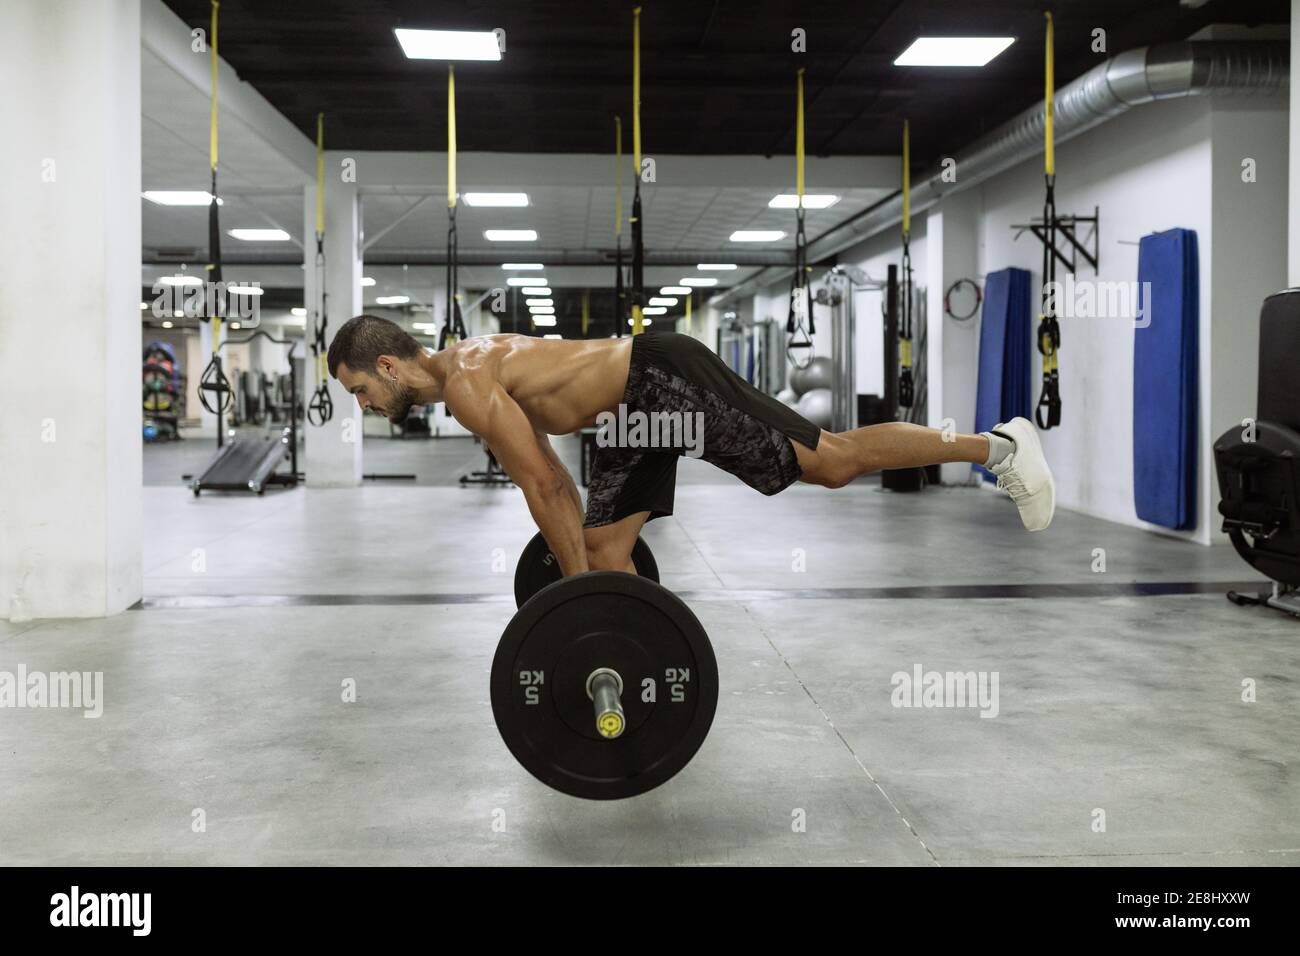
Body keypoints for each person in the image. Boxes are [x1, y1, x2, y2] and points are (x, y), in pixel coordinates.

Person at [328, 315, 1053, 576]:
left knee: (831, 462)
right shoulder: (466, 363)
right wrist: (583, 586)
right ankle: (628, 653)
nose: (364, 405)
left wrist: (573, 598)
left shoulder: (467, 384)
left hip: (659, 377)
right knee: (608, 551)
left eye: (360, 389)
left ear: (388, 366)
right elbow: (559, 489)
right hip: (630, 411)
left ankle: (1000, 448)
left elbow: (546, 486)